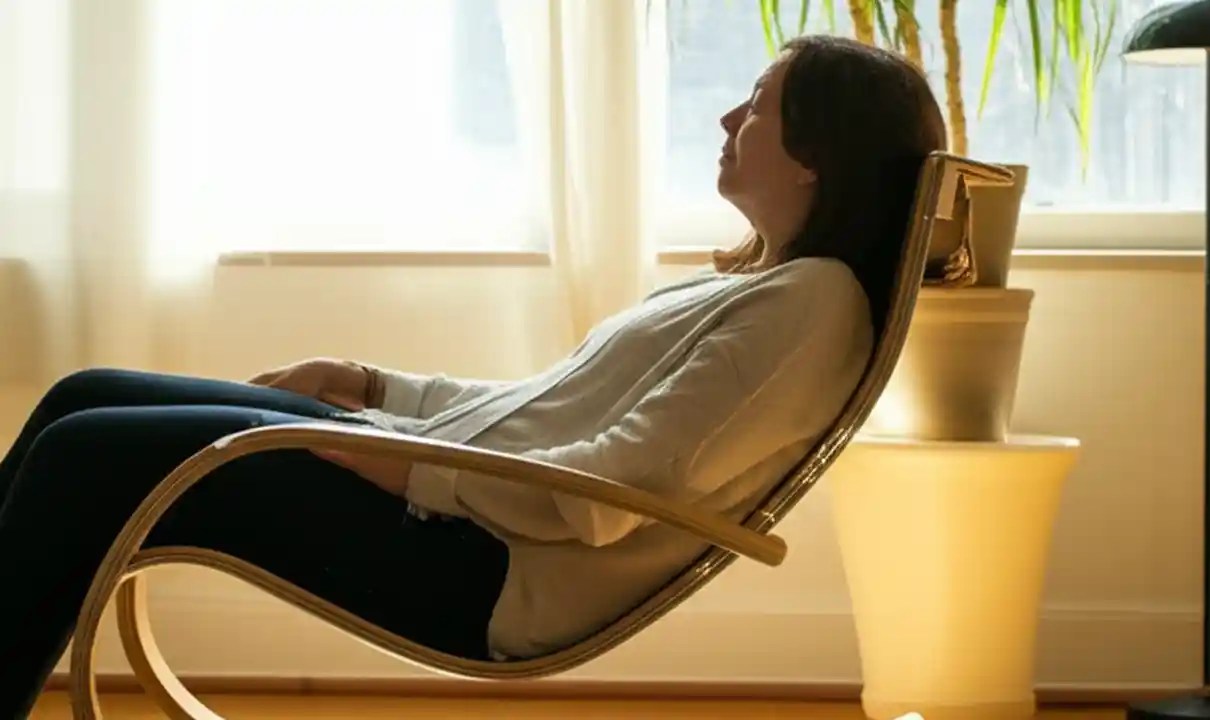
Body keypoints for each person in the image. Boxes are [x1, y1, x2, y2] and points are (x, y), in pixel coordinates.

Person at [0, 34, 946, 716]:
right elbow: (536, 415)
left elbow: (614, 489)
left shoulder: (812, 306)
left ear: (817, 157)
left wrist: (392, 458)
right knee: (82, 396)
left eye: (760, 103)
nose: (732, 116)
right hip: (456, 510)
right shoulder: (765, 287)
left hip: (477, 564)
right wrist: (370, 388)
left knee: (89, 454)